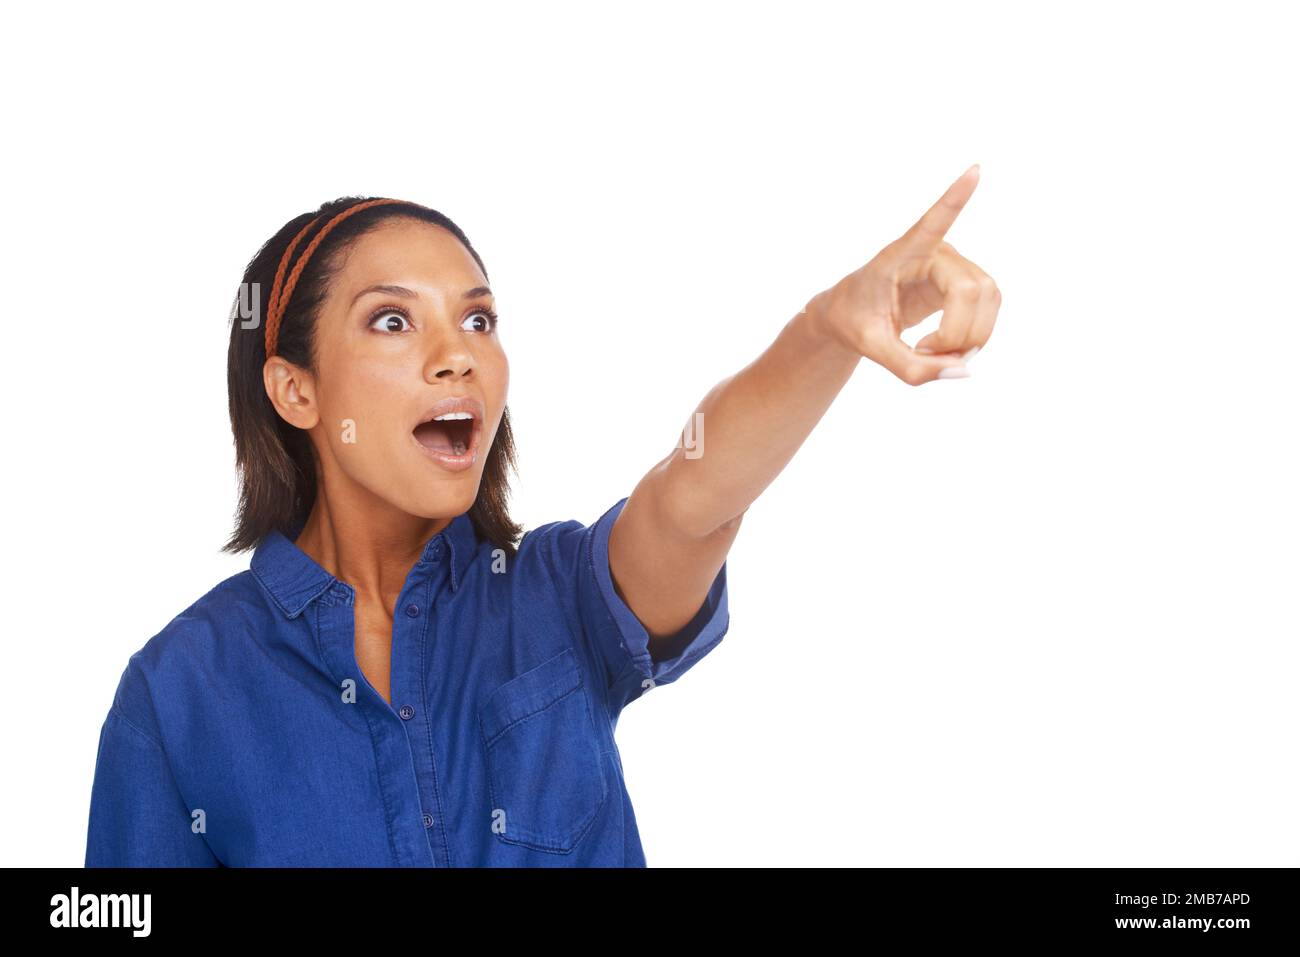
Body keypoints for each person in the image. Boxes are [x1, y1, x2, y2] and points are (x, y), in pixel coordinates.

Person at [84, 166, 1000, 866]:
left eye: (478, 320)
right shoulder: (175, 698)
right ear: (294, 389)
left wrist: (826, 328)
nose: (459, 356)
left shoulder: (553, 598)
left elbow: (694, 496)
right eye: (393, 322)